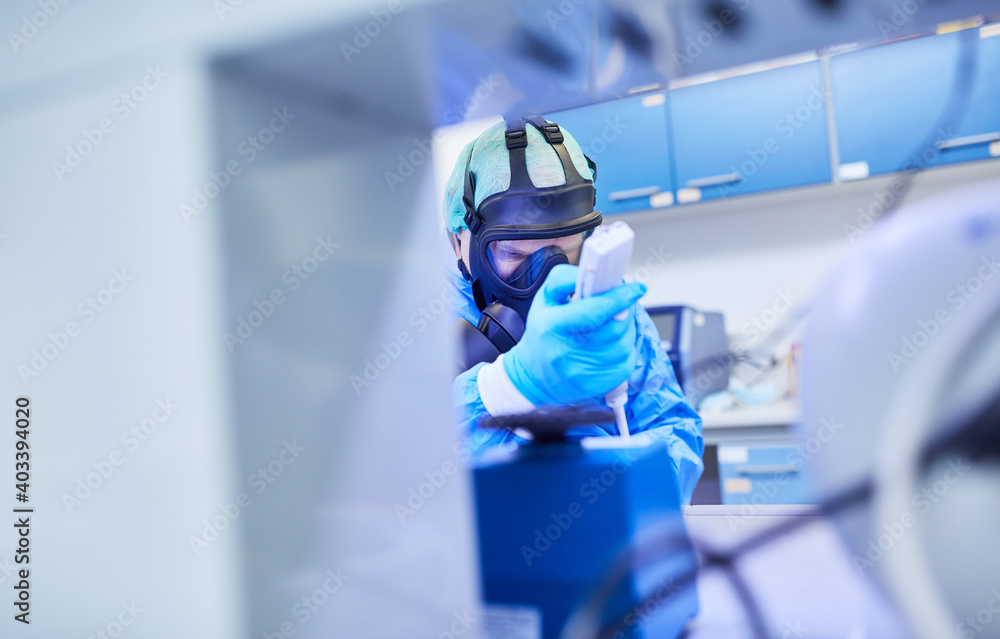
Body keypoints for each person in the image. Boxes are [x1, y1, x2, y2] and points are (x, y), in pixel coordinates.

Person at [442, 117, 704, 504]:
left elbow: (674, 429)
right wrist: (505, 388)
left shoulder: (606, 315)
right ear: (458, 239)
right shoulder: (417, 319)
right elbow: (393, 460)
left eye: (566, 250)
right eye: (514, 253)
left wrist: (620, 492)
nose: (547, 274)